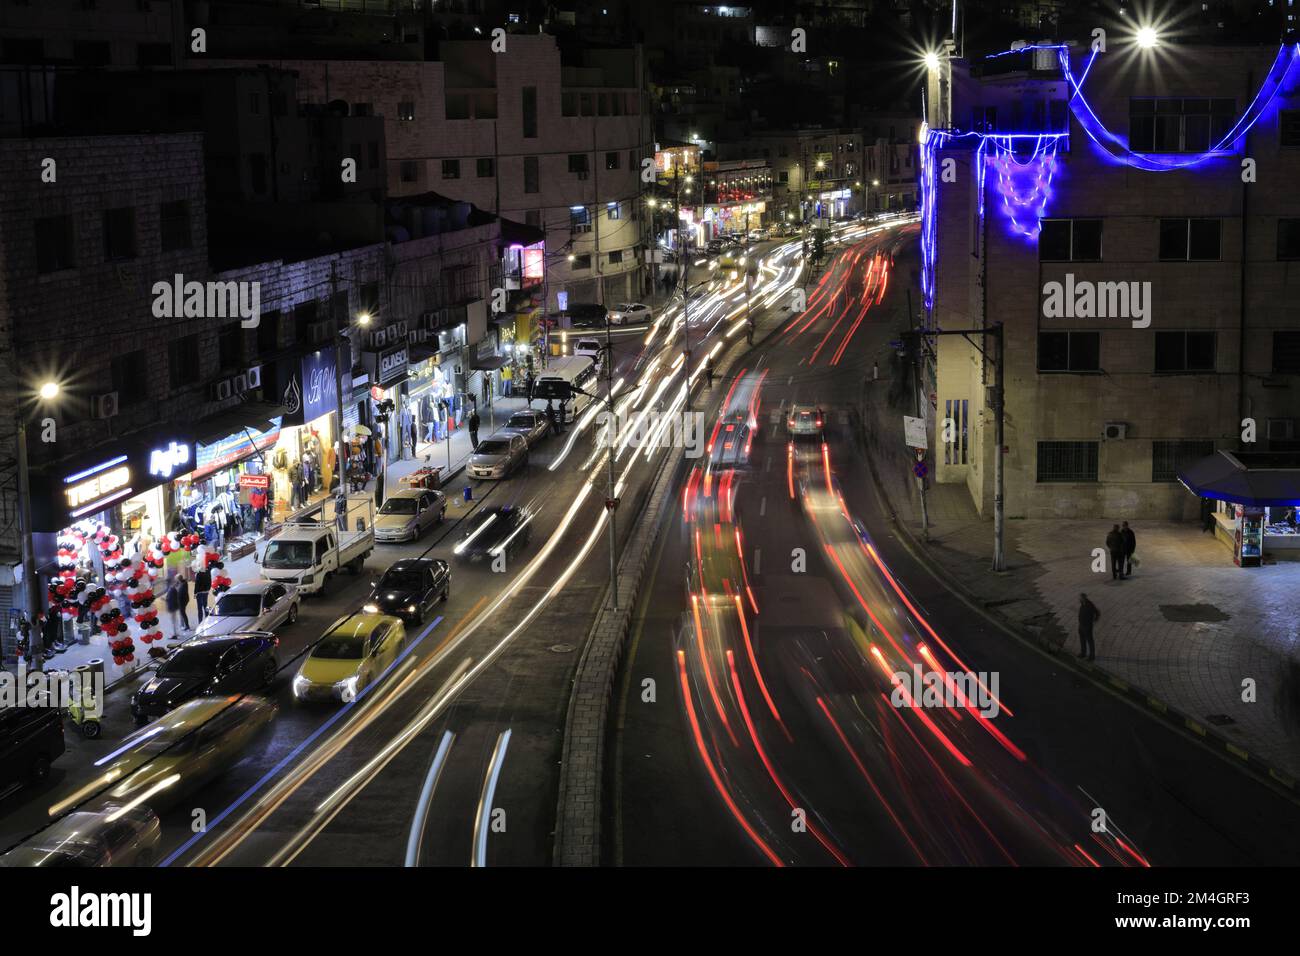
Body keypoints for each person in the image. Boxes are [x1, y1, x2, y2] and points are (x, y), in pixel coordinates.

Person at [165, 569, 191, 638]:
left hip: (181, 602)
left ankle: (185, 627)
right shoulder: (181, 584)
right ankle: (182, 626)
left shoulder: (181, 586)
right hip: (180, 602)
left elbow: (179, 594)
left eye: (176, 579)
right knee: (180, 614)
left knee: (181, 614)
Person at [1077, 593, 1099, 661]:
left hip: (1087, 626)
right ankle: (1083, 653)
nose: (1079, 599)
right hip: (1081, 625)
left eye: (1080, 598)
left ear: (1083, 598)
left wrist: (1094, 620)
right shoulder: (1082, 604)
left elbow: (1097, 612)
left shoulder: (1089, 605)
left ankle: (1092, 656)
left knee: (1090, 641)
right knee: (1082, 640)